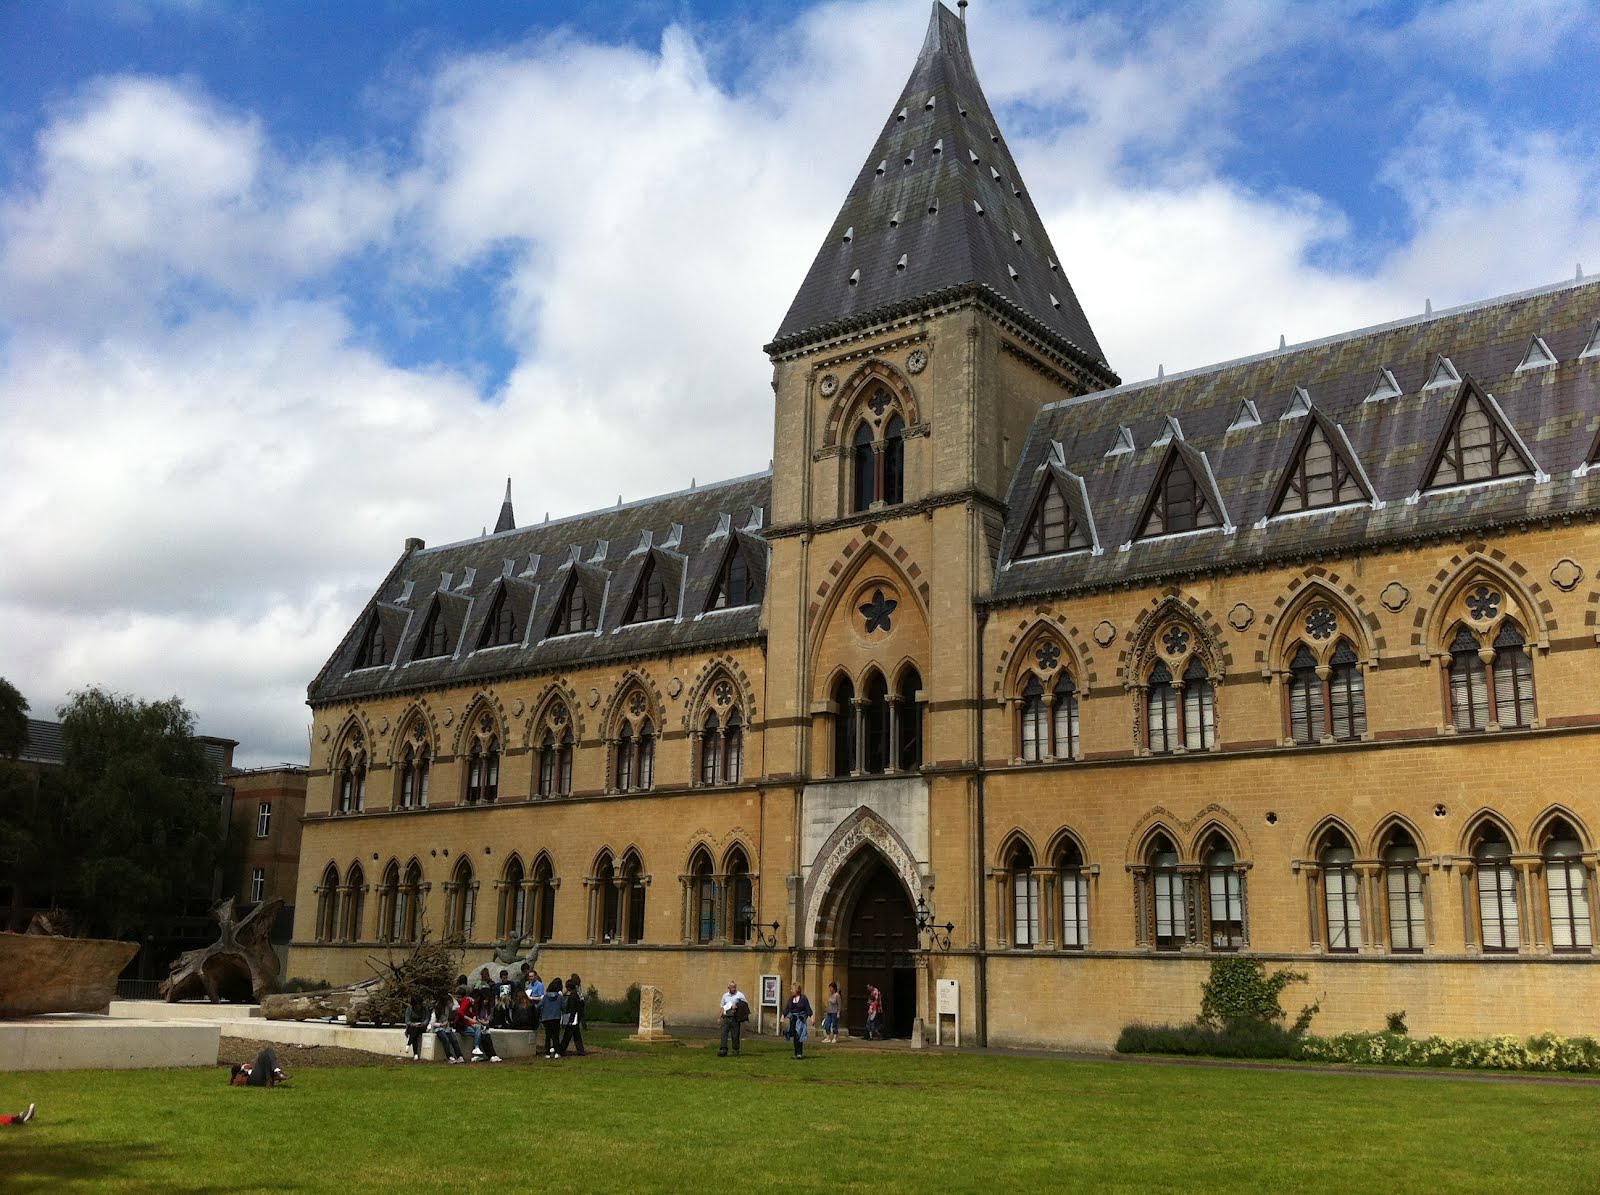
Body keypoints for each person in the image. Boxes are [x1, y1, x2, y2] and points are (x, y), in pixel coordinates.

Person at [557, 974, 587, 1057]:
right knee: (576, 1035)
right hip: (575, 1017)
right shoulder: (575, 995)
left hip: (572, 1017)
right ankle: (580, 1050)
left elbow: (572, 1009)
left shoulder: (572, 996)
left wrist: (570, 1019)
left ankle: (561, 1050)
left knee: (567, 1035)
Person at [430, 995, 466, 1063]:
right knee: (445, 1040)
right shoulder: (436, 1010)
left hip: (447, 1028)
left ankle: (459, 1056)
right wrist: (441, 1024)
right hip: (438, 1028)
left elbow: (457, 1007)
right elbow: (432, 1022)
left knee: (454, 1040)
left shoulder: (447, 1007)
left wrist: (452, 997)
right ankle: (449, 1056)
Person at [468, 994, 503, 1062]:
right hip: (478, 1025)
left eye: (487, 1000)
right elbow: (476, 1018)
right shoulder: (477, 1008)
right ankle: (491, 1055)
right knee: (484, 1036)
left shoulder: (488, 1009)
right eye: (484, 999)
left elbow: (488, 1019)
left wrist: (485, 1022)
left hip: (485, 1026)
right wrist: (483, 1022)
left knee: (487, 1036)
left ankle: (493, 1055)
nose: (485, 1001)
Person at [718, 980, 748, 1057]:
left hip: (735, 1018)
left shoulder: (740, 995)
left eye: (735, 987)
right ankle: (723, 1049)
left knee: (735, 1035)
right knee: (724, 1034)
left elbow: (745, 1005)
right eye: (732, 987)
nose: (734, 989)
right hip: (726, 1017)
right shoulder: (725, 996)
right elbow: (722, 1007)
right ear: (728, 988)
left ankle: (736, 1050)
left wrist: (738, 1006)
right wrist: (719, 1017)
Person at [784, 983, 814, 1059]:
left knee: (799, 1035)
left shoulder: (803, 998)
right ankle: (796, 1053)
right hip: (793, 1019)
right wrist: (783, 1016)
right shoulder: (791, 999)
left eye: (792, 989)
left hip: (800, 1019)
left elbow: (807, 1008)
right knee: (794, 1035)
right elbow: (787, 1008)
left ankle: (799, 1053)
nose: (791, 991)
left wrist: (812, 1017)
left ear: (797, 990)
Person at [539, 975, 565, 1057]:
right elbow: (563, 1007)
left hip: (546, 1018)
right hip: (556, 1018)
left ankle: (547, 1053)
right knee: (555, 1036)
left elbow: (539, 1005)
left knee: (548, 1036)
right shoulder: (559, 997)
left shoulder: (546, 996)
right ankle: (557, 1052)